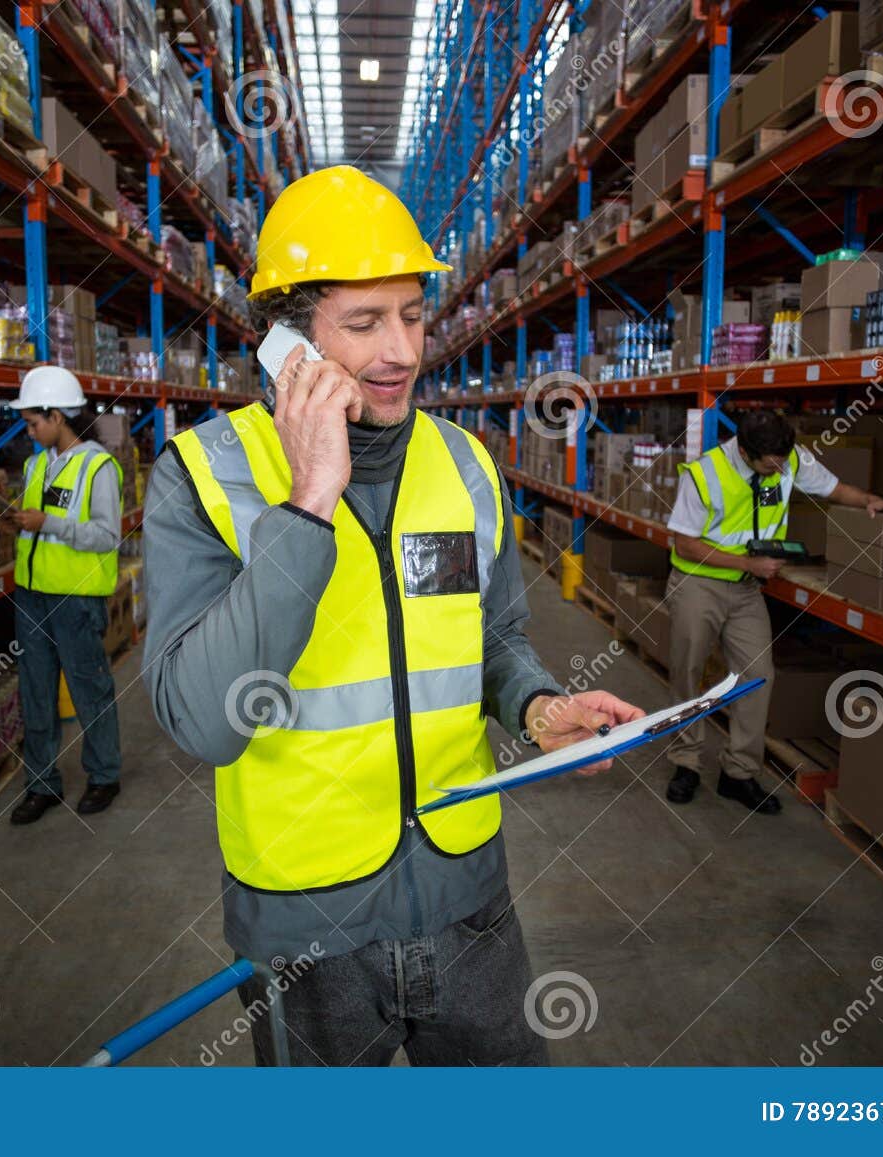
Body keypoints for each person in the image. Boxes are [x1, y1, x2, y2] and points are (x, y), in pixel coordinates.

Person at [141, 165, 644, 1066]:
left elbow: (493, 639)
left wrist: (538, 708)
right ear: (287, 345)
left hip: (469, 893)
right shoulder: (204, 477)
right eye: (365, 323)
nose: (403, 351)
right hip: (308, 921)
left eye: (412, 315)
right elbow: (204, 720)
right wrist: (309, 501)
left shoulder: (466, 465)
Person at [663, 411, 883, 813]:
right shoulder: (703, 474)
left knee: (758, 676)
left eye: (784, 460)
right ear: (744, 451)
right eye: (770, 463)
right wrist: (749, 564)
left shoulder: (789, 457)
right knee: (688, 671)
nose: (780, 468)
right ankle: (686, 763)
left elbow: (833, 488)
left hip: (746, 591)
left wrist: (870, 500)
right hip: (699, 584)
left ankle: (738, 773)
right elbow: (686, 545)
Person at [2, 364, 125, 825]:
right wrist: (23, 523)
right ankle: (41, 784)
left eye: (35, 422)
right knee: (35, 693)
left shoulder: (99, 467)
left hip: (75, 598)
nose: (30, 432)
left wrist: (47, 523)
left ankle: (104, 775)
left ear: (57, 416)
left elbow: (106, 536)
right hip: (32, 595)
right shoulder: (36, 465)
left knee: (89, 688)